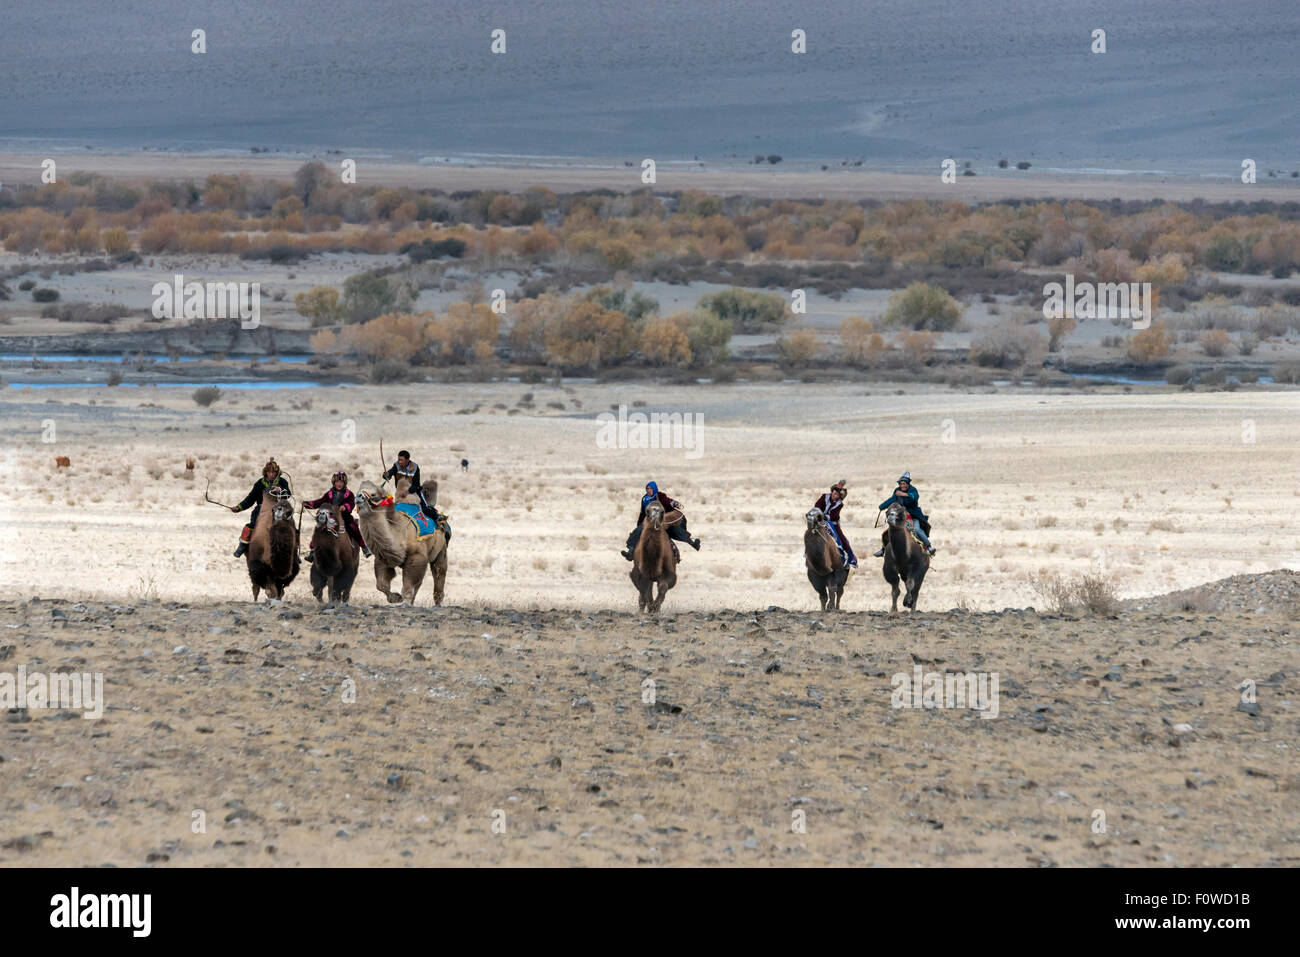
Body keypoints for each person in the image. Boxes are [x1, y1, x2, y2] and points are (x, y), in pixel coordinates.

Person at [621, 481, 700, 560]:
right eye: (647, 489)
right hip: (650, 520)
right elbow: (642, 513)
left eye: (650, 488)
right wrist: (639, 525)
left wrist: (674, 503)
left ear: (654, 489)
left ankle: (693, 543)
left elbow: (667, 501)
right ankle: (630, 552)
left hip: (662, 520)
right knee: (638, 531)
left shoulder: (660, 496)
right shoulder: (645, 499)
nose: (648, 490)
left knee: (675, 530)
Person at [383, 450, 451, 540]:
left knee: (425, 509)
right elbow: (390, 473)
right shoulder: (396, 465)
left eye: (401, 460)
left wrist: (407, 492)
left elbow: (416, 485)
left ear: (407, 460)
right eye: (398, 459)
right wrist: (386, 475)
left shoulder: (415, 467)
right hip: (400, 494)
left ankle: (439, 520)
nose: (399, 462)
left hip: (415, 492)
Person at [304, 471, 371, 562]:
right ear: (334, 482)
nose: (339, 484)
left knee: (353, 527)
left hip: (344, 517)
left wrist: (345, 507)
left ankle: (364, 547)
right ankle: (313, 551)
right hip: (331, 517)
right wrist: (308, 504)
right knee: (320, 529)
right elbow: (319, 502)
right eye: (337, 482)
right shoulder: (329, 494)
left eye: (341, 482)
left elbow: (351, 504)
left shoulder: (349, 494)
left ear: (344, 483)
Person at [231, 459, 291, 557]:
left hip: (278, 508)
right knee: (252, 525)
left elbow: (288, 494)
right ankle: (242, 545)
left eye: (274, 472)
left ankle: (294, 550)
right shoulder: (259, 483)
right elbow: (250, 499)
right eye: (269, 472)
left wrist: (281, 490)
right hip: (261, 509)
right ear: (266, 472)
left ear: (277, 472)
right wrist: (239, 507)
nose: (271, 474)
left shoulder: (282, 482)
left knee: (290, 526)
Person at [874, 470, 936, 555]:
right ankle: (883, 549)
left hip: (913, 516)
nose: (902, 485)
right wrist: (882, 506)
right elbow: (892, 499)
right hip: (901, 516)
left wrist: (904, 494)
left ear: (908, 484)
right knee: (889, 531)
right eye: (901, 484)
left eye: (904, 484)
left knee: (917, 529)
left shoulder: (912, 489)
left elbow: (915, 497)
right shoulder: (897, 490)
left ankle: (929, 547)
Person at [813, 480, 856, 569]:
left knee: (842, 540)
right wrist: (818, 513)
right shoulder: (824, 497)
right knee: (811, 534)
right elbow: (817, 505)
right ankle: (808, 554)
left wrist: (824, 517)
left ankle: (850, 558)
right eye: (834, 492)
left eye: (837, 494)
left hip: (833, 524)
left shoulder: (839, 504)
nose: (834, 495)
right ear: (832, 491)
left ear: (840, 496)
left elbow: (834, 515)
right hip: (819, 520)